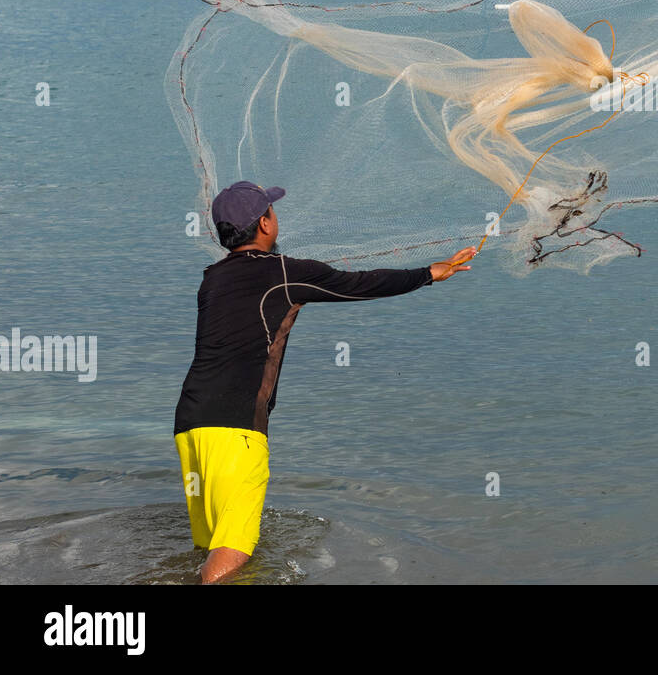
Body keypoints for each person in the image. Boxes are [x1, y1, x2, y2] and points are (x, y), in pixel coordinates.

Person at [173, 181, 476, 584]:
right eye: (272, 212)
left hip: (190, 424)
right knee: (234, 549)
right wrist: (428, 274)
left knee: (212, 543)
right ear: (264, 224)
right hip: (236, 429)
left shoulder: (212, 278)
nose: (276, 218)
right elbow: (359, 284)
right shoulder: (283, 273)